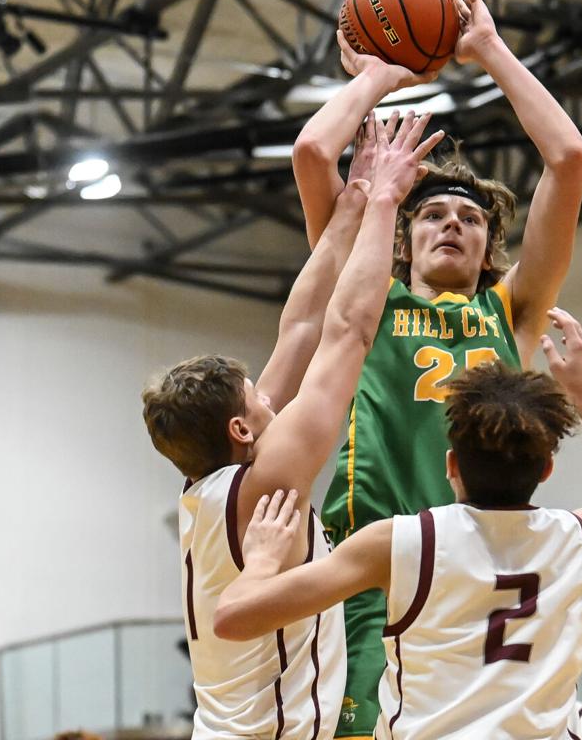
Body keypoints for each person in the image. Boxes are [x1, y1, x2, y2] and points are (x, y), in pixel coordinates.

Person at [294, 0, 582, 736]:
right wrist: (381, 78)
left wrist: (489, 50)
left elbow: (568, 160)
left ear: (493, 242)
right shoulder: (364, 299)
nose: (452, 225)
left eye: (470, 217)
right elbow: (312, 155)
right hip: (371, 557)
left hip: (475, 567)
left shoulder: (511, 310)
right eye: (433, 215)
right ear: (403, 234)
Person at [213, 307, 582, 739]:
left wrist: (260, 561)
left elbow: (234, 618)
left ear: (451, 465)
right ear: (546, 470)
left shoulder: (403, 542)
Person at [141, 112, 443, 739]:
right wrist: (387, 202)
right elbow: (348, 332)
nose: (271, 399)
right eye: (258, 399)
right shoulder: (270, 481)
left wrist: (354, 201)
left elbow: (301, 328)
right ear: (241, 430)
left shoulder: (219, 483)